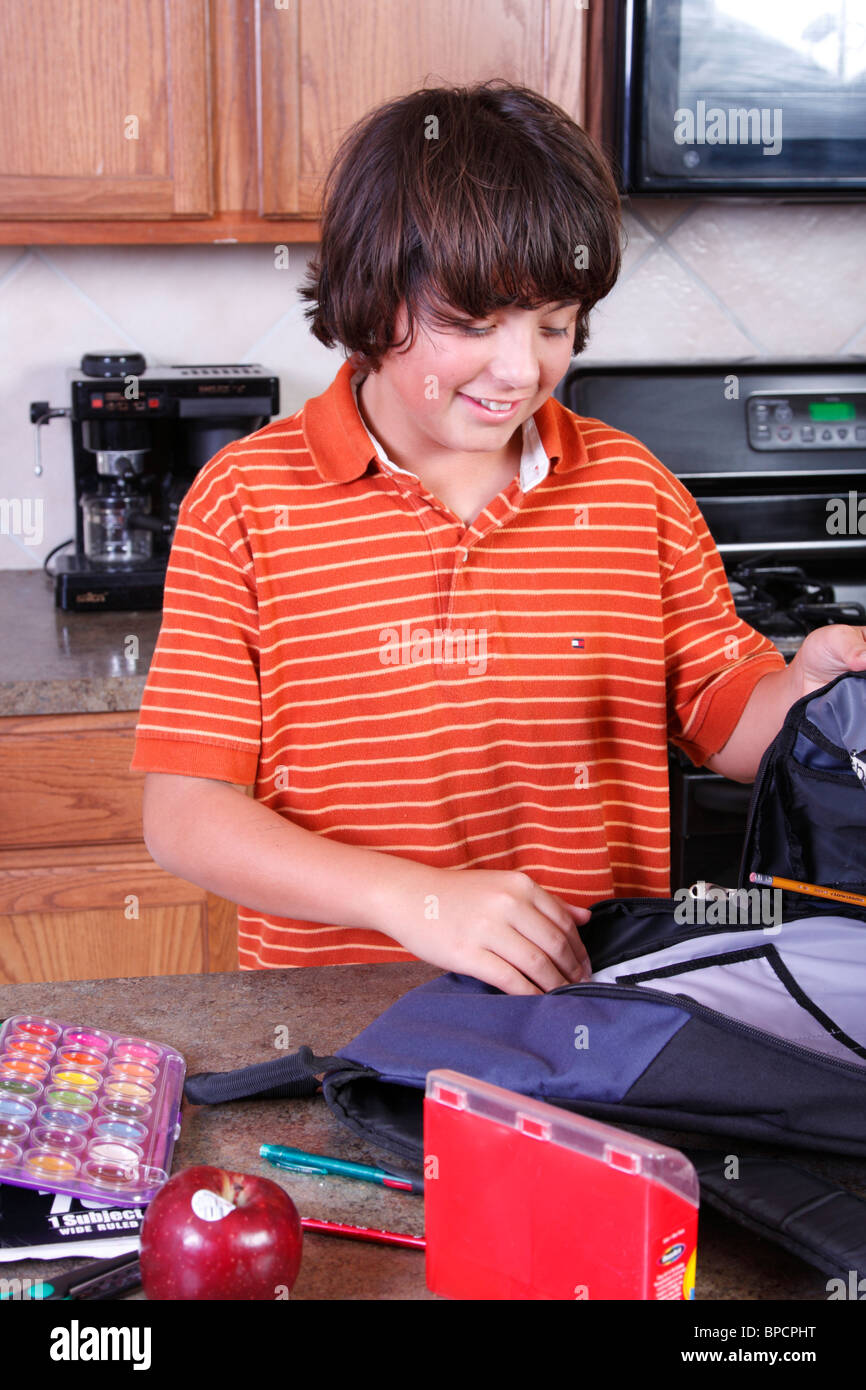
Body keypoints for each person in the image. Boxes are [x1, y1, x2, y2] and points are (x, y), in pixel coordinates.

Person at [131, 81, 866, 996]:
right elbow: (185, 815)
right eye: (474, 324)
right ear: (372, 295)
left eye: (554, 325)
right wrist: (416, 899)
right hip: (340, 1014)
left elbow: (727, 724)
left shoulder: (632, 489)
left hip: (585, 1007)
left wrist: (806, 697)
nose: (521, 369)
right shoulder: (245, 502)